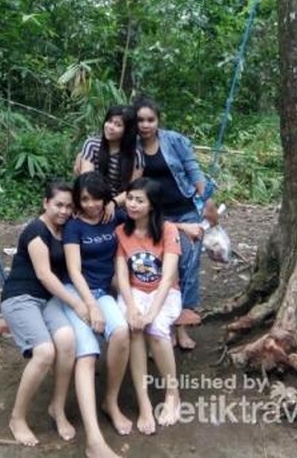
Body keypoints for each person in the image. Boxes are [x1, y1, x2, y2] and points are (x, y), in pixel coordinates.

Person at [0, 180, 88, 447]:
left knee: (67, 341)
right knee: (45, 352)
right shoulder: (36, 231)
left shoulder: (64, 229)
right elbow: (44, 275)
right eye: (58, 205)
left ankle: (57, 408)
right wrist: (76, 303)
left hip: (45, 299)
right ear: (45, 203)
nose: (64, 211)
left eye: (69, 206)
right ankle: (17, 418)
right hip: (21, 297)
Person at [63, 171, 131, 458]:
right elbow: (74, 271)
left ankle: (110, 402)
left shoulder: (114, 217)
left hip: (103, 292)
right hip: (77, 294)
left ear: (105, 198)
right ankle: (94, 439)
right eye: (85, 199)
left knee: (121, 332)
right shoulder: (74, 226)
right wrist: (90, 306)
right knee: (88, 354)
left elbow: (145, 212)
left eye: (96, 199)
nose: (91, 205)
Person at [133, 96, 210, 350]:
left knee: (187, 261)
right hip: (154, 216)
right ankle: (161, 325)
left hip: (185, 210)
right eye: (140, 120)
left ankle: (181, 325)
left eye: (150, 119)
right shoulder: (131, 147)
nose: (145, 125)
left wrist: (207, 200)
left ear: (158, 120)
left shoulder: (175, 141)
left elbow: (193, 172)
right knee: (160, 268)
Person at [115, 177, 182, 433]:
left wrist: (152, 312)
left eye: (139, 201)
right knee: (134, 328)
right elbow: (122, 276)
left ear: (152, 205)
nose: (132, 204)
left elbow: (167, 278)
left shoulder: (168, 230)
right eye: (130, 199)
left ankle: (172, 395)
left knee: (155, 329)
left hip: (164, 293)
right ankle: (144, 403)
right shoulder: (122, 232)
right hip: (133, 292)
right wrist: (132, 308)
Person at [76, 105, 144, 200]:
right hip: (93, 199)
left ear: (127, 130)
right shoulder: (92, 144)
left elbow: (133, 190)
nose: (111, 127)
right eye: (109, 121)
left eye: (118, 125)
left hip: (120, 202)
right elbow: (87, 182)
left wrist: (113, 203)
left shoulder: (136, 153)